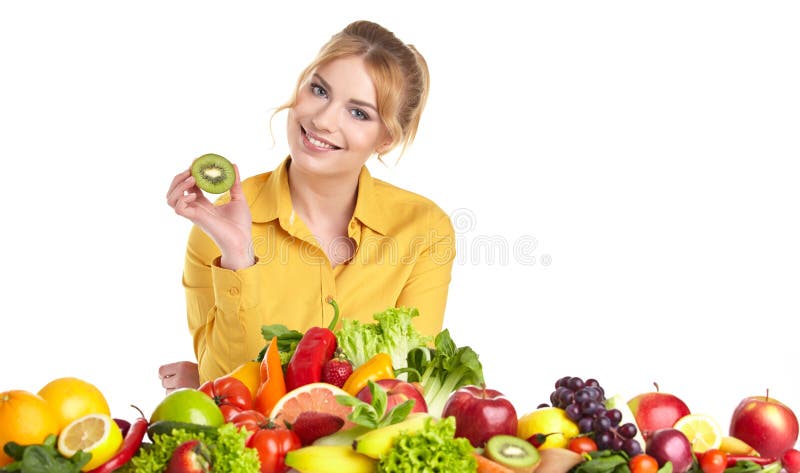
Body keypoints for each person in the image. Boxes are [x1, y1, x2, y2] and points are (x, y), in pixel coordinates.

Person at [161, 20, 455, 393]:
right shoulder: (216, 231)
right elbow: (230, 398)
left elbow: (405, 389)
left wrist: (203, 378)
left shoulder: (423, 229)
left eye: (359, 112)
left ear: (386, 139)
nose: (322, 119)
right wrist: (238, 257)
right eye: (319, 90)